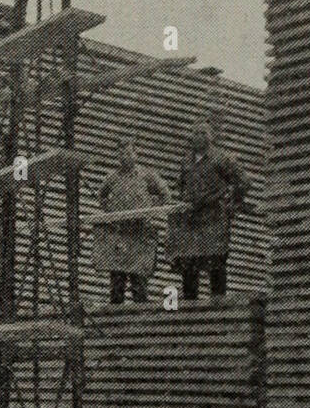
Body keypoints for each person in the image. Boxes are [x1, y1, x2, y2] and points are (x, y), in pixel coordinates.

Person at [174, 122, 252, 301]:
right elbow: (181, 185)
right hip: (192, 222)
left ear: (211, 136)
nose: (199, 137)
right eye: (195, 133)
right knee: (189, 266)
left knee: (216, 265)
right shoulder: (186, 161)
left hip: (214, 219)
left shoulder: (221, 158)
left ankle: (218, 312)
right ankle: (189, 315)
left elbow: (244, 181)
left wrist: (233, 202)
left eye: (203, 133)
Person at [99, 137, 171, 304]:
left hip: (140, 232)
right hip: (119, 234)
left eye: (128, 152)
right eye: (121, 153)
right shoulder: (112, 178)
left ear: (135, 154)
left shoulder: (146, 176)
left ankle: (141, 322)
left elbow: (165, 194)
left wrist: (150, 210)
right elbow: (101, 196)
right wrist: (110, 211)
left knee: (139, 281)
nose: (125, 156)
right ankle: (116, 323)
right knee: (117, 281)